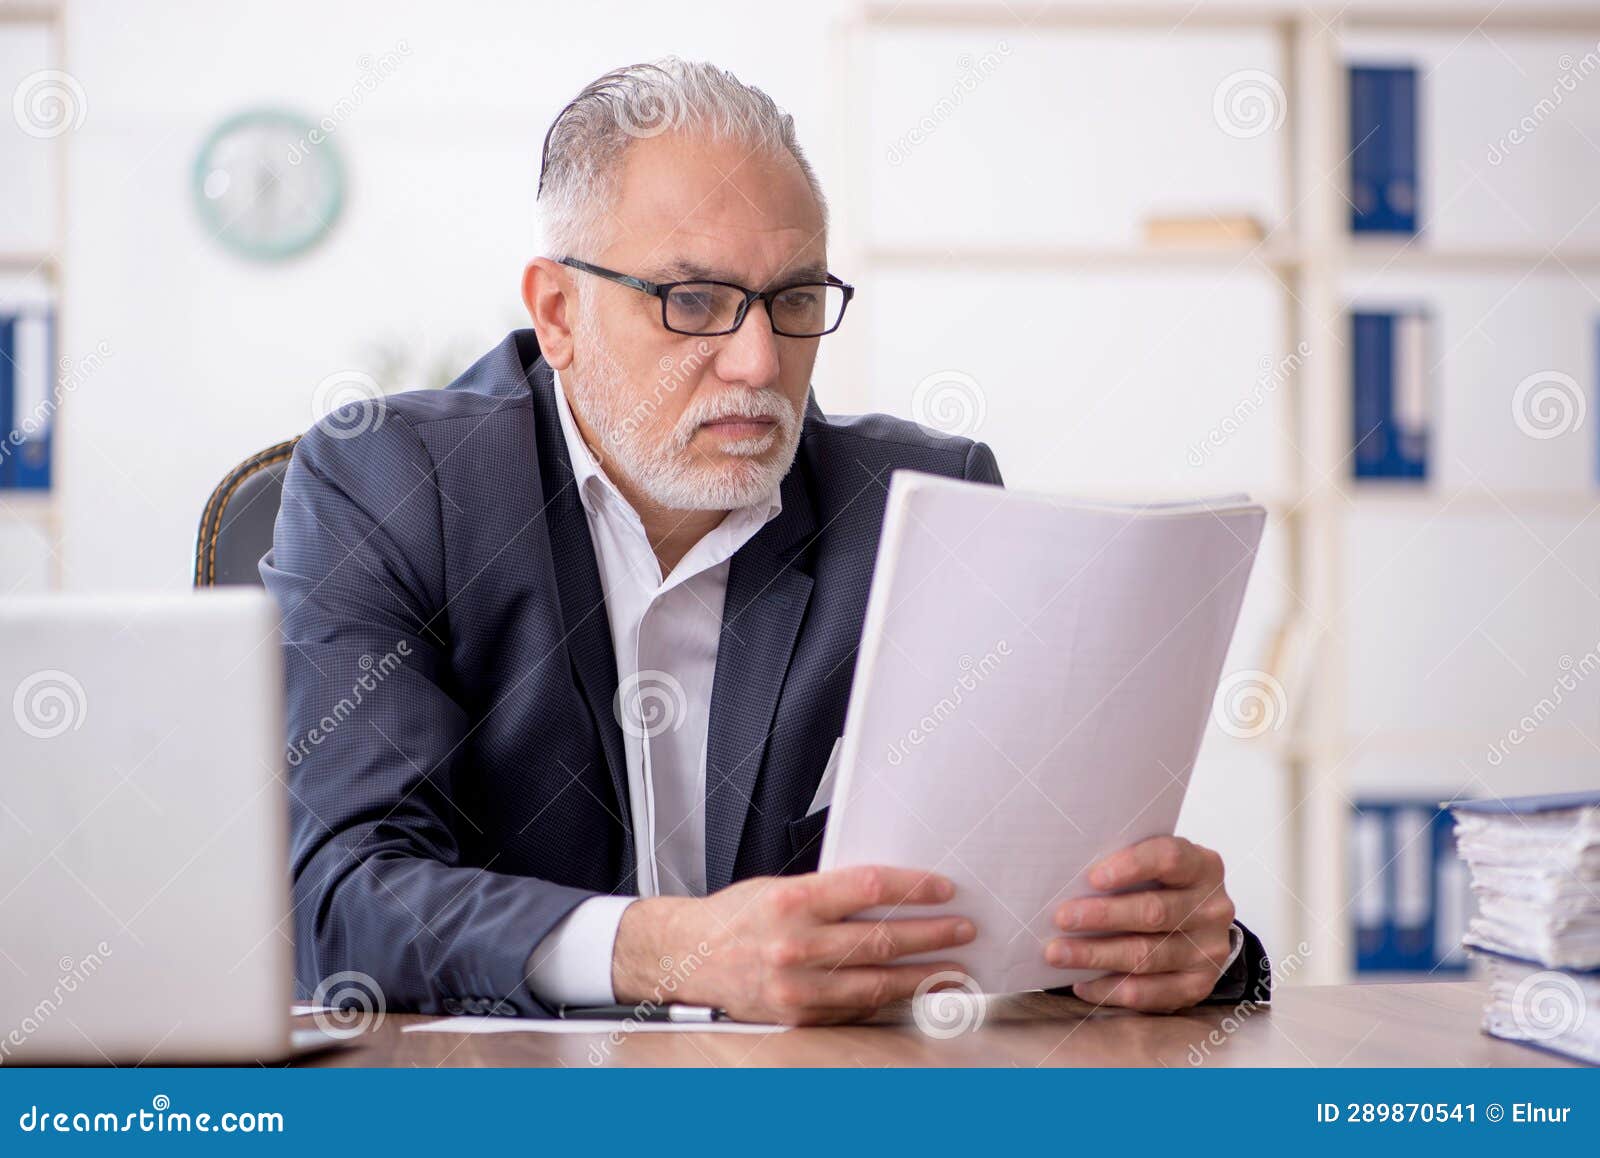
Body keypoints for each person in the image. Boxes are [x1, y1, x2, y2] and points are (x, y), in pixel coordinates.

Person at [263, 58, 1268, 1025]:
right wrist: (669, 950)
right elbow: (345, 902)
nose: (758, 361)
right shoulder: (393, 486)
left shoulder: (917, 504)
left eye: (793, 299)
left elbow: (1017, 899)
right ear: (558, 312)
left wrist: (1176, 949)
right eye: (691, 301)